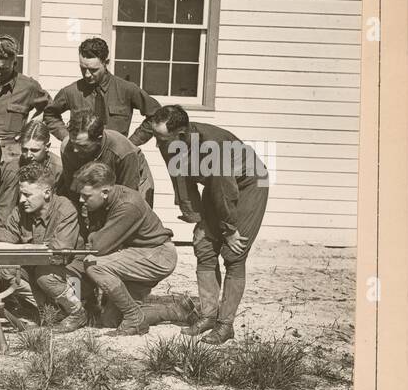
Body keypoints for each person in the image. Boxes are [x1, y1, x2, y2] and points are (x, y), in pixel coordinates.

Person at [149, 105, 271, 344]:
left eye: (161, 137)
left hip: (248, 184)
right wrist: (194, 215)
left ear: (181, 135)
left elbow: (224, 192)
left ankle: (225, 325)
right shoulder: (168, 143)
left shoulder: (212, 148)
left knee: (233, 252)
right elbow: (180, 178)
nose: (157, 142)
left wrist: (231, 230)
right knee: (203, 245)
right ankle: (208, 316)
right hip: (220, 188)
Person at [73, 161, 194, 336]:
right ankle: (176, 310)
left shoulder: (127, 205)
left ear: (105, 192)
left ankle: (134, 318)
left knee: (94, 264)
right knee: (110, 321)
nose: (80, 200)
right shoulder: (106, 199)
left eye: (86, 196)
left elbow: (98, 248)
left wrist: (93, 236)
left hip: (157, 255)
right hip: (138, 255)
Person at [0, 160, 87, 333]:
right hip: (36, 267)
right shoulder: (20, 211)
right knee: (6, 269)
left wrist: (20, 249)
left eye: (27, 195)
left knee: (45, 275)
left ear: (47, 193)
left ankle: (76, 312)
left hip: (69, 272)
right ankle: (49, 311)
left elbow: (57, 255)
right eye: (21, 194)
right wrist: (26, 249)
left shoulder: (65, 209)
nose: (21, 200)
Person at [44, 37, 161, 146]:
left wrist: (130, 144)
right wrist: (66, 137)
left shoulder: (126, 89)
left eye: (93, 70)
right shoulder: (71, 92)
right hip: (81, 159)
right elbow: (50, 114)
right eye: (83, 68)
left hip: (116, 159)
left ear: (106, 63)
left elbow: (157, 115)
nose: (87, 74)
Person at [59, 110, 155, 210]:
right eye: (72, 142)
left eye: (82, 146)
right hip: (99, 184)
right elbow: (73, 190)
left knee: (133, 210)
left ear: (99, 139)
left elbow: (127, 194)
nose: (75, 150)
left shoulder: (123, 152)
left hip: (133, 177)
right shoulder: (67, 148)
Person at [0, 34, 50, 166]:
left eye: (3, 68)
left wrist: (30, 128)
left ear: (14, 63)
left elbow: (50, 109)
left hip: (12, 157)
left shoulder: (28, 86)